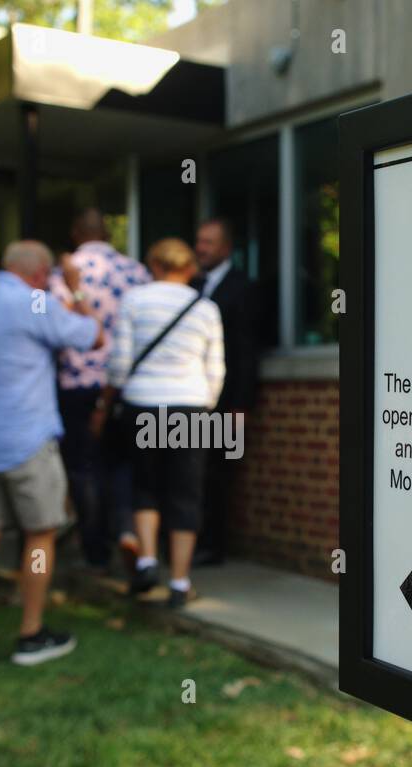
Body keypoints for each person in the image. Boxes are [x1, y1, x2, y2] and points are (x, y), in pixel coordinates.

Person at [0, 240, 104, 675]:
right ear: (39, 274)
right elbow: (94, 336)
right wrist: (76, 291)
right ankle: (31, 634)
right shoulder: (37, 301)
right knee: (40, 536)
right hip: (25, 441)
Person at [106, 238, 224, 609]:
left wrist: (119, 395)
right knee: (186, 493)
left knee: (146, 486)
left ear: (152, 265)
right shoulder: (205, 308)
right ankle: (179, 582)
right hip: (190, 406)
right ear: (189, 268)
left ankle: (145, 561)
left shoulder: (134, 301)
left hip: (142, 404)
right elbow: (215, 369)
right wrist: (205, 406)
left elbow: (120, 363)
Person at [47, 209, 150, 573]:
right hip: (125, 385)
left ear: (76, 233)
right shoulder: (137, 271)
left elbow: (55, 324)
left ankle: (95, 551)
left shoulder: (64, 273)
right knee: (122, 462)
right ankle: (124, 531)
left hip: (77, 384)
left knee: (83, 466)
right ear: (107, 233)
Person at [191, 218, 261, 566]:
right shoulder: (192, 285)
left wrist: (241, 405)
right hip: (193, 396)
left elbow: (246, 351)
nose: (201, 248)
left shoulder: (241, 288)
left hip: (226, 400)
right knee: (192, 471)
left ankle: (212, 545)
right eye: (199, 241)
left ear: (226, 248)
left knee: (216, 475)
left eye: (209, 243)